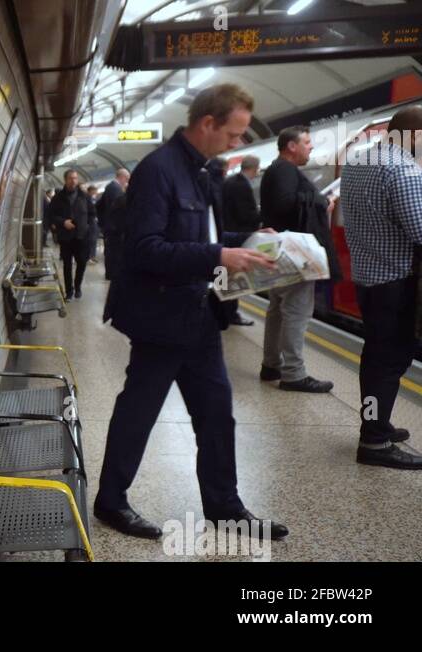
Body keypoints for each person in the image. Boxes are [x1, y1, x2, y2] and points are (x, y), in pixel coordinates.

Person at [97, 83, 288, 541]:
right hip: (159, 316)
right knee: (139, 411)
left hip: (198, 313)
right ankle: (111, 502)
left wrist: (244, 236)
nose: (238, 143)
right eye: (235, 133)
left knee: (217, 414)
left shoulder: (201, 172)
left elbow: (202, 233)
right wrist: (218, 255)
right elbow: (145, 250)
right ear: (208, 123)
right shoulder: (158, 171)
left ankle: (224, 506)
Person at [340, 106, 422, 470]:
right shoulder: (403, 169)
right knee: (388, 362)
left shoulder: (359, 160)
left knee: (375, 358)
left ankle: (377, 423)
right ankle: (374, 442)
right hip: (396, 281)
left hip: (368, 276)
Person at [259, 126, 338, 392]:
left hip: (283, 249)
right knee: (296, 311)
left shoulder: (277, 169)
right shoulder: (285, 170)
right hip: (296, 253)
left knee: (277, 309)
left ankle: (272, 364)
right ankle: (293, 374)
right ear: (291, 146)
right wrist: (319, 201)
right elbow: (285, 204)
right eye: (306, 142)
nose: (311, 147)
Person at [221, 155, 262, 326]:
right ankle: (230, 315)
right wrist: (261, 214)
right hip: (237, 237)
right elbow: (246, 215)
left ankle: (225, 313)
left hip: (226, 235)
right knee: (234, 280)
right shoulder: (242, 185)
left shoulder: (230, 182)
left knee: (225, 279)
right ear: (255, 168)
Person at [47, 170, 95, 299]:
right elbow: (50, 216)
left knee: (82, 263)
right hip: (66, 237)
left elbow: (92, 214)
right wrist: (63, 222)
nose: (73, 181)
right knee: (67, 265)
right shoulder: (58, 198)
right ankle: (69, 291)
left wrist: (88, 227)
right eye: (70, 178)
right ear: (65, 179)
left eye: (75, 178)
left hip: (82, 236)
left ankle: (77, 286)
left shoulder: (85, 197)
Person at [98, 168, 130, 280]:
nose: (126, 182)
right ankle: (112, 274)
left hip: (110, 227)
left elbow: (99, 205)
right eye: (126, 179)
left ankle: (110, 273)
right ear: (121, 177)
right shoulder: (115, 189)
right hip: (114, 228)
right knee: (113, 252)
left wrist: (102, 223)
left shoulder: (110, 187)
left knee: (111, 251)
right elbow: (118, 210)